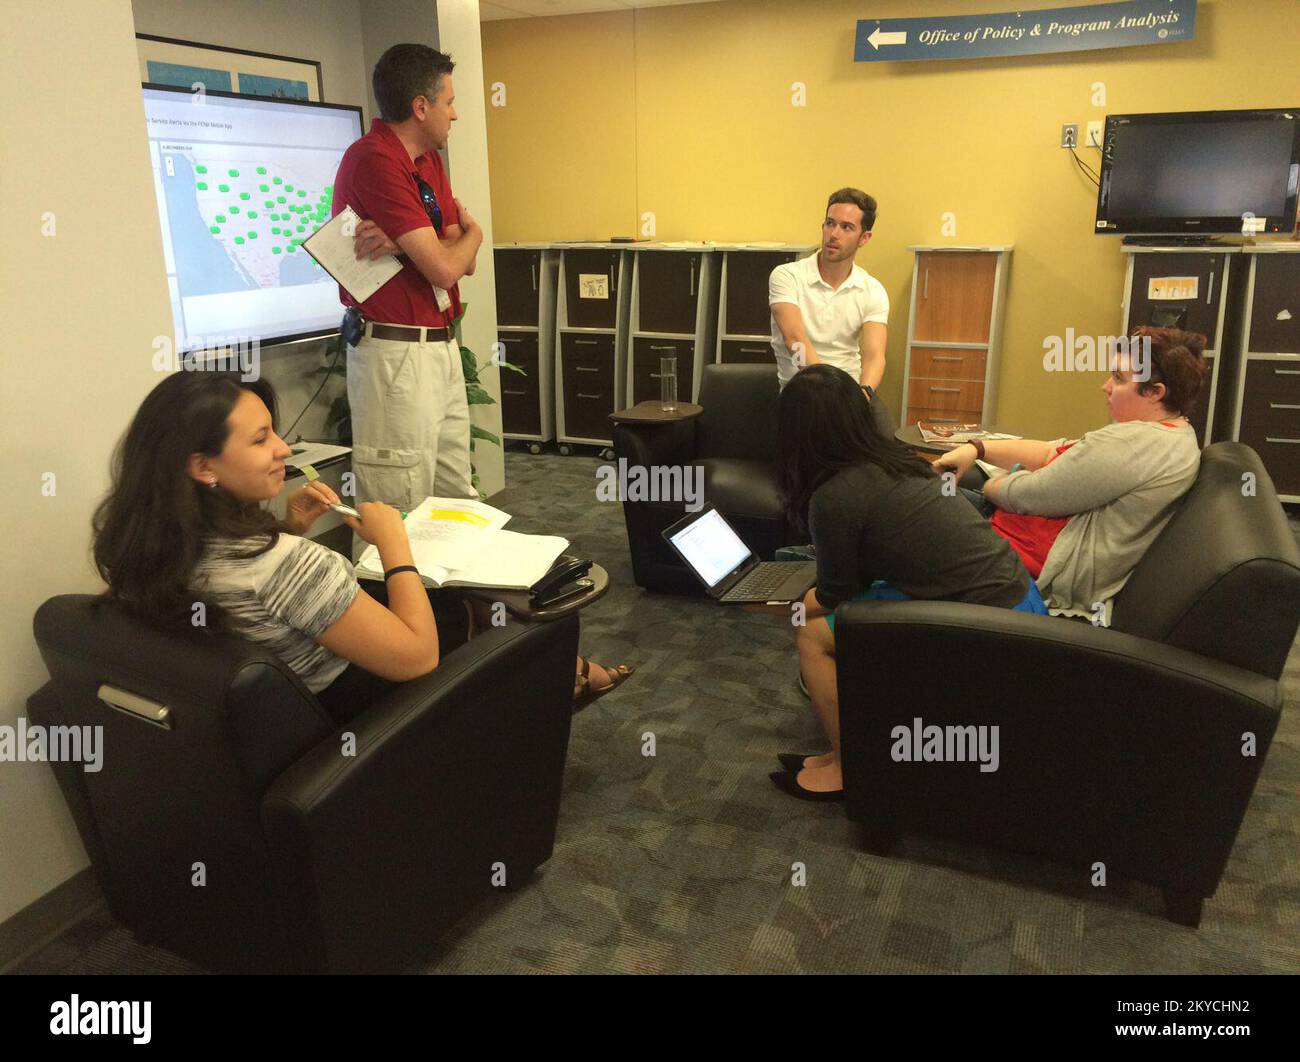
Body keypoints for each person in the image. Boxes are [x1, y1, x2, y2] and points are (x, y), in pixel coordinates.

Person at [91, 373, 633, 723]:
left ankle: (575, 674)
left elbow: (252, 598)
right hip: (355, 706)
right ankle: (568, 679)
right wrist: (396, 545)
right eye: (260, 440)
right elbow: (416, 658)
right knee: (495, 613)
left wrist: (290, 528)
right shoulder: (285, 568)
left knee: (455, 604)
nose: (284, 448)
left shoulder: (144, 550)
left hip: (289, 698)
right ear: (202, 466)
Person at [769, 366, 1046, 801]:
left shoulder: (834, 495)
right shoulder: (898, 462)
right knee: (833, 612)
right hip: (1018, 600)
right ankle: (848, 747)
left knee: (810, 630)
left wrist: (780, 602)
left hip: (990, 625)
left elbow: (835, 594)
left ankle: (848, 767)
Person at [935, 327, 1207, 625]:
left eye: (1118, 379)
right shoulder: (1169, 433)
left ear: (1155, 393)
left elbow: (1028, 496)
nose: (1106, 386)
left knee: (914, 508)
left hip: (1024, 565)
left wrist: (993, 483)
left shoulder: (1131, 445)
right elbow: (1051, 450)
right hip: (1013, 529)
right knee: (921, 496)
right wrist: (976, 449)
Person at [331, 44, 482, 515]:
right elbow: (443, 265)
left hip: (440, 345)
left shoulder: (430, 160)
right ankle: (394, 591)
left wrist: (412, 242)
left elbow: (463, 260)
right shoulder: (373, 158)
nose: (454, 115)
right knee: (398, 506)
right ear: (421, 106)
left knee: (456, 494)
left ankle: (454, 593)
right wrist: (467, 235)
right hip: (395, 355)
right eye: (449, 102)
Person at [768, 188, 889, 394]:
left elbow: (874, 356)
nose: (834, 234)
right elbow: (794, 340)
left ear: (864, 238)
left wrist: (864, 394)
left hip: (850, 394)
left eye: (846, 227)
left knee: (888, 426)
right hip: (801, 392)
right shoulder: (787, 276)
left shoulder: (872, 289)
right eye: (830, 223)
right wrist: (828, 393)